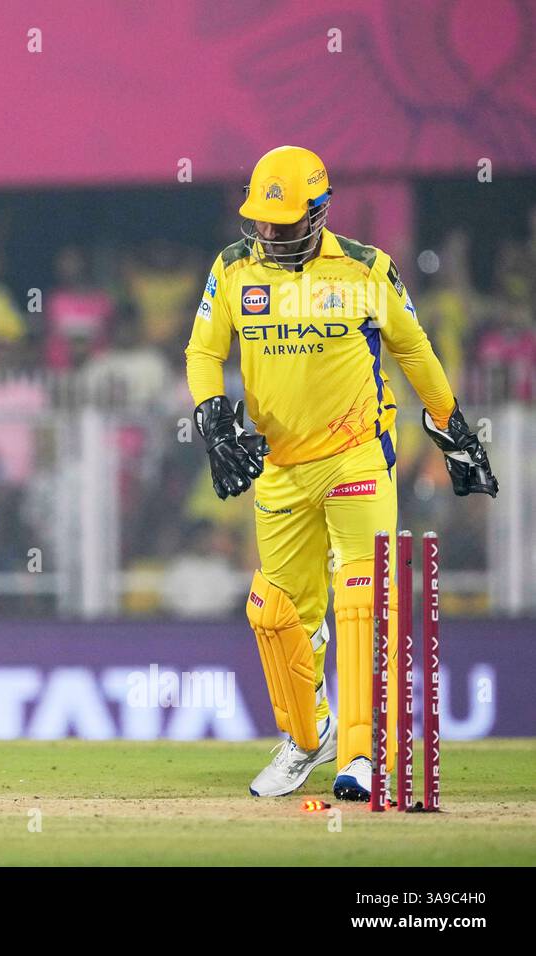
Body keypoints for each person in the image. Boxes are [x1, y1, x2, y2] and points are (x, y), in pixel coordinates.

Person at [184, 145, 498, 801]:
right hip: (278, 467)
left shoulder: (366, 269)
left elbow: (414, 348)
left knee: (363, 603)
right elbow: (204, 350)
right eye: (261, 223)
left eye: (286, 223)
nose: (269, 235)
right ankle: (308, 738)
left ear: (320, 213)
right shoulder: (233, 268)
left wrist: (452, 429)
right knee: (276, 614)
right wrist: (214, 419)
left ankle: (364, 757)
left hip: (356, 457)